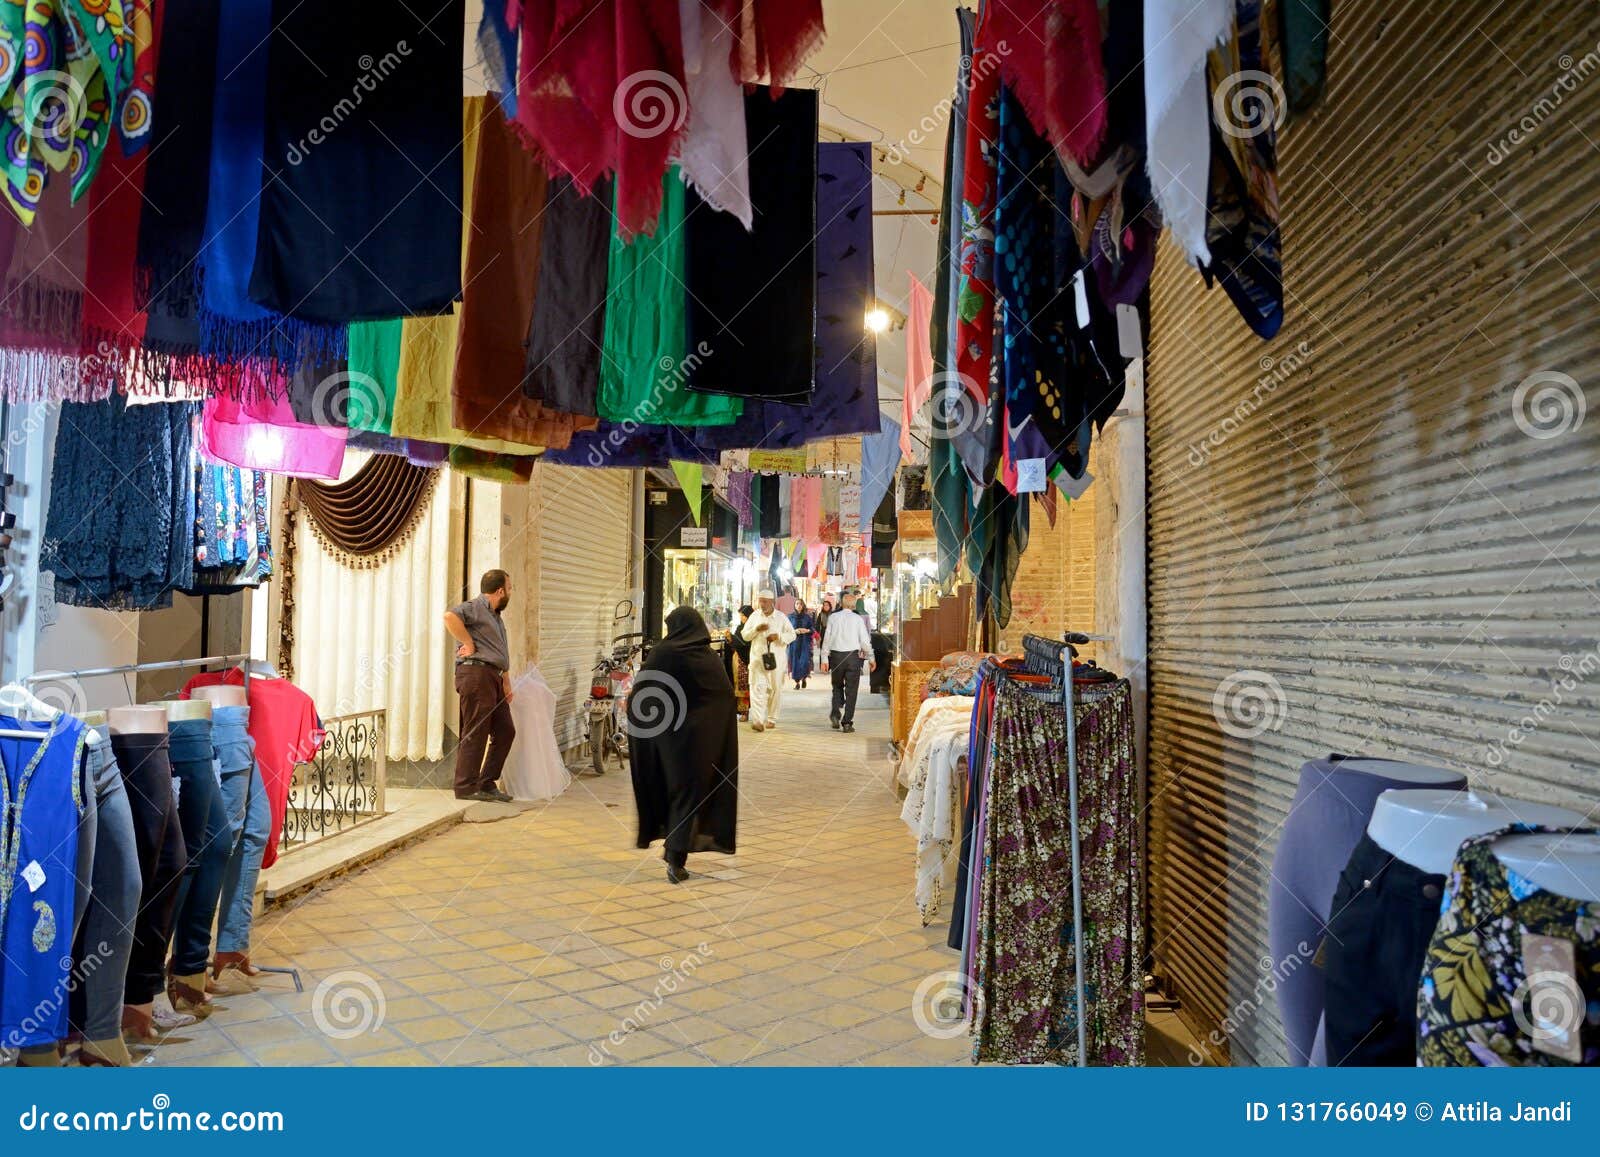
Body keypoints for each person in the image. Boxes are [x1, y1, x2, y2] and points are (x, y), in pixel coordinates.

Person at [628, 607, 739, 884]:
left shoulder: (663, 653)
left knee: (676, 792)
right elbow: (724, 697)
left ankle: (674, 853)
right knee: (689, 795)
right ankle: (675, 857)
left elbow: (642, 695)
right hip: (700, 744)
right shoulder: (707, 657)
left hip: (668, 742)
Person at [443, 569, 516, 802]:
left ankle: (486, 783)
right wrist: (468, 643)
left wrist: (506, 680)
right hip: (475, 673)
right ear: (500, 591)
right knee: (476, 731)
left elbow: (500, 652)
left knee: (506, 730)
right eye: (510, 588)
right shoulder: (476, 606)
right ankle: (465, 787)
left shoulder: (496, 616)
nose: (511, 593)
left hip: (492, 676)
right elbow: (449, 617)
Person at [821, 586, 875, 733]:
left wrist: (824, 659)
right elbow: (864, 641)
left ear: (842, 604)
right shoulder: (858, 619)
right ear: (853, 605)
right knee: (852, 690)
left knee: (837, 686)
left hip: (836, 657)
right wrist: (871, 657)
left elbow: (827, 639)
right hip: (852, 658)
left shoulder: (833, 618)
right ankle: (847, 723)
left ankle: (835, 713)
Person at [741, 589, 796, 731]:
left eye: (765, 601)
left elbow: (792, 634)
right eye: (760, 601)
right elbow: (745, 635)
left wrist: (778, 637)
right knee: (756, 688)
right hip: (757, 660)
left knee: (774, 689)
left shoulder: (781, 617)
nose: (762, 604)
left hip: (776, 661)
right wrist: (756, 630)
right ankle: (758, 720)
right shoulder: (754, 616)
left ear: (772, 602)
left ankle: (771, 718)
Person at [727, 604, 754, 720]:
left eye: (743, 616)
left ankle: (745, 712)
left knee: (745, 685)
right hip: (737, 659)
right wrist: (730, 639)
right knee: (737, 684)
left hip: (747, 660)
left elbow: (746, 645)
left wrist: (733, 639)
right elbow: (736, 643)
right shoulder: (739, 628)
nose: (742, 618)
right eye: (741, 616)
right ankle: (740, 710)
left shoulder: (752, 629)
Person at [787, 598, 816, 690]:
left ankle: (804, 678)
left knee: (804, 662)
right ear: (794, 605)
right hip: (794, 642)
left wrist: (806, 630)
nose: (798, 606)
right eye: (797, 604)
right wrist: (794, 631)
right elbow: (786, 629)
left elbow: (812, 629)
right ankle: (797, 682)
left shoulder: (807, 617)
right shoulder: (790, 617)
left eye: (800, 604)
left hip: (805, 642)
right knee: (795, 662)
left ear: (803, 606)